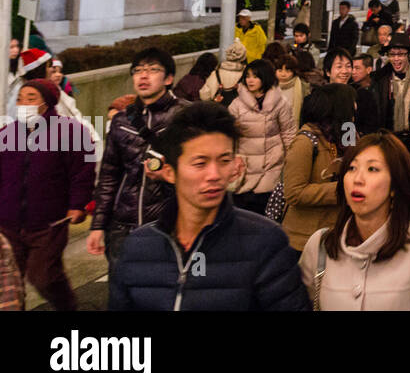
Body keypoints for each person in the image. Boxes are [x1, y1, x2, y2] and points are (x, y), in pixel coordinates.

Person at [109, 101, 310, 311]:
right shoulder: (137, 247)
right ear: (169, 172)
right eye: (200, 163)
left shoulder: (266, 242)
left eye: (224, 161)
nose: (214, 175)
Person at [300, 131, 410, 311]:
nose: (358, 179)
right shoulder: (320, 245)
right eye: (351, 168)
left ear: (395, 186)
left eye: (372, 169)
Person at [0, 78, 95, 311]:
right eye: (20, 98)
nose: (24, 103)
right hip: (7, 223)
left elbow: (82, 173)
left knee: (44, 276)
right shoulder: (6, 132)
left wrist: (79, 204)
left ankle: (67, 306)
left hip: (49, 223)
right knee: (9, 284)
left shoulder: (72, 131)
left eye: (31, 98)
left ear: (47, 102)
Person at [88, 48, 186, 270]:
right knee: (123, 295)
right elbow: (109, 176)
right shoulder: (122, 120)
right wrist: (98, 226)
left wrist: (170, 176)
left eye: (152, 70)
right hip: (123, 227)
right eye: (138, 70)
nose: (143, 75)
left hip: (171, 224)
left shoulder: (187, 117)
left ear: (169, 78)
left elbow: (201, 173)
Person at [282, 86, 351, 251]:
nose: (355, 107)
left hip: (335, 233)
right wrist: (342, 189)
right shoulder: (305, 142)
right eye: (351, 104)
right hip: (305, 240)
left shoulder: (341, 136)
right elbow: (294, 193)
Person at [229, 59, 295, 217]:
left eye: (255, 76)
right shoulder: (236, 104)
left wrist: (291, 161)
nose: (250, 80)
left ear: (265, 78)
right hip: (245, 168)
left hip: (271, 166)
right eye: (248, 76)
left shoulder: (280, 103)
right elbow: (227, 137)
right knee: (242, 218)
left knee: (265, 217)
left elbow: (288, 132)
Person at [371, 32, 410, 137]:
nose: (396, 59)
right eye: (392, 54)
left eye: (400, 54)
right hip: (388, 137)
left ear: (408, 55)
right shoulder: (380, 80)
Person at [273, 52, 309, 128]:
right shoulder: (270, 85)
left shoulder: (302, 86)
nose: (283, 74)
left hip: (292, 126)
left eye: (288, 71)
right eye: (280, 70)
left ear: (294, 72)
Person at [349, 54, 381, 135]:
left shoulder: (380, 89)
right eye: (352, 68)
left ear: (369, 70)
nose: (353, 72)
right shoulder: (350, 89)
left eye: (357, 68)